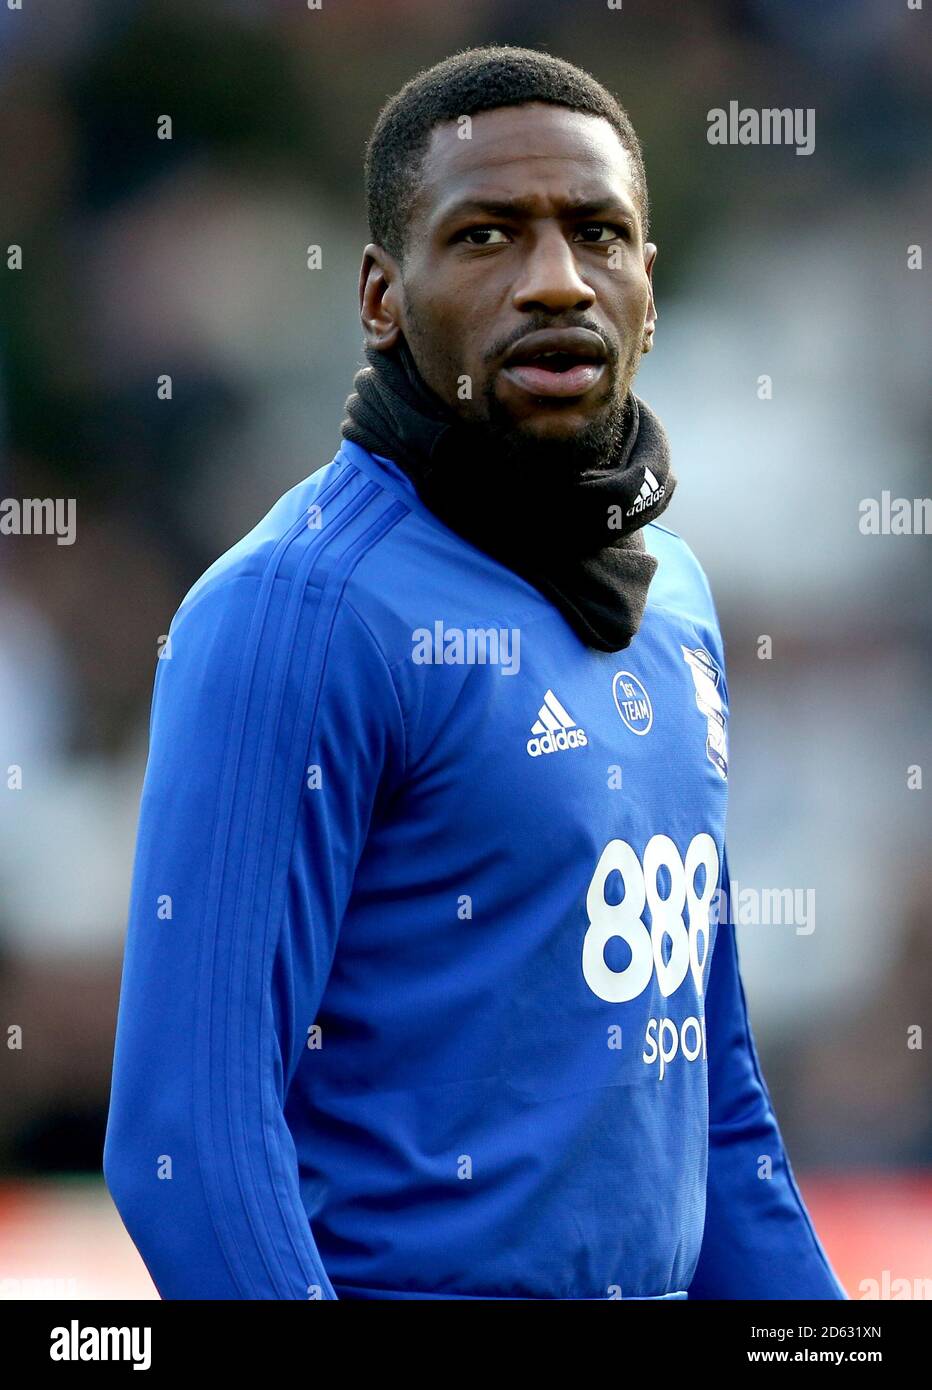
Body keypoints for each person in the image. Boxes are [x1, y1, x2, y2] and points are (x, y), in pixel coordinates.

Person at [103, 46, 847, 1301]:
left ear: (647, 291)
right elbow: (188, 1142)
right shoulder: (295, 613)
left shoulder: (676, 602)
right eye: (489, 236)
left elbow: (711, 1112)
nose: (555, 281)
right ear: (383, 299)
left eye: (597, 235)